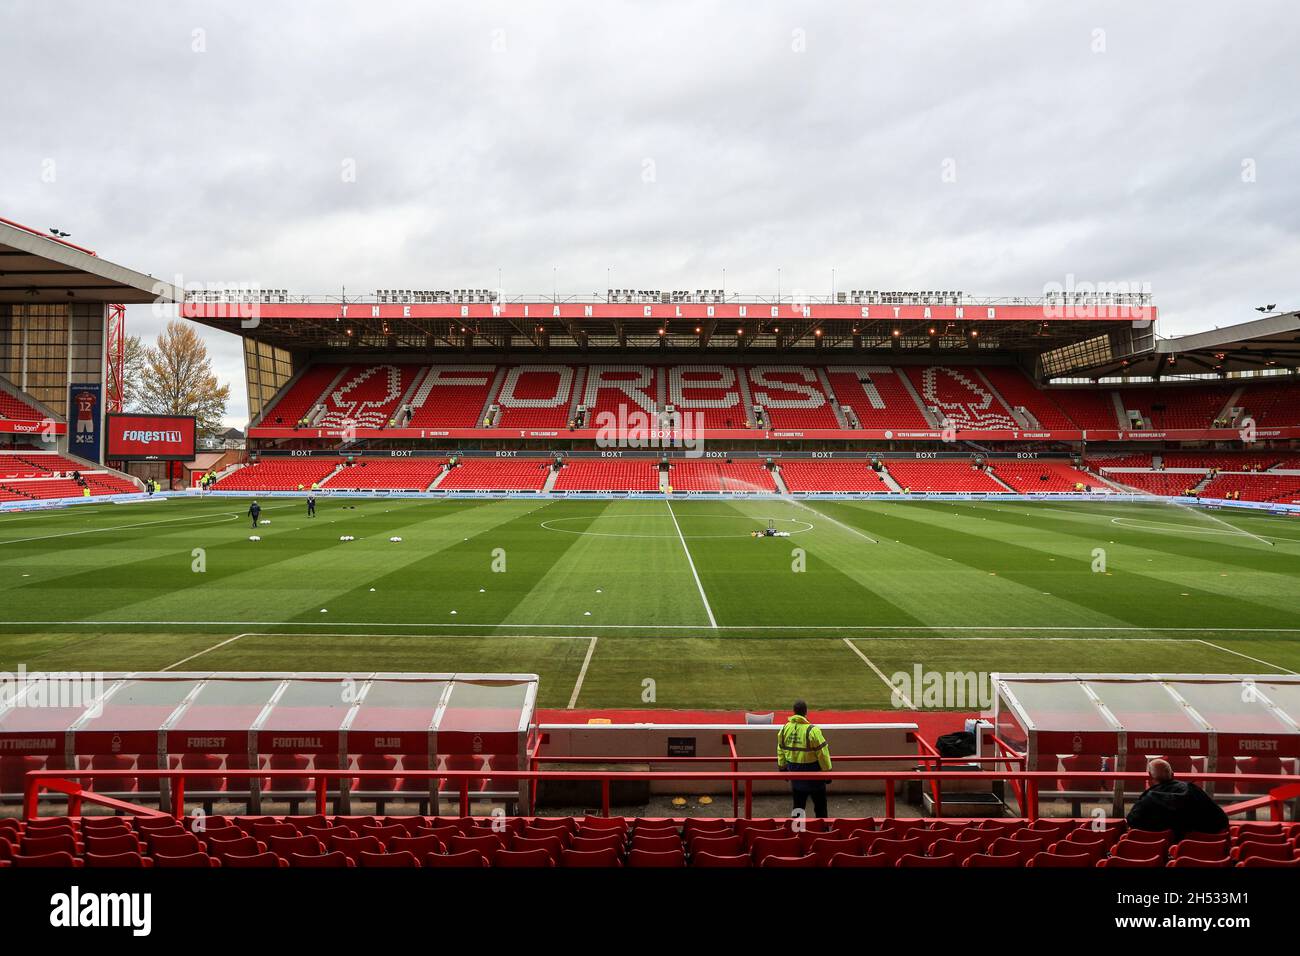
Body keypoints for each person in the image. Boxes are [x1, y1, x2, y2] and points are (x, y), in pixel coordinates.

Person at [1125, 758, 1228, 839]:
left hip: (1160, 851)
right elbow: (1221, 819)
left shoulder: (1147, 799)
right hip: (1200, 850)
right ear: (1173, 774)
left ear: (1150, 777)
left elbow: (1132, 822)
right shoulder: (1193, 790)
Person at [777, 700, 832, 818]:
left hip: (795, 775)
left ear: (794, 712)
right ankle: (822, 831)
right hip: (815, 776)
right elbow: (823, 753)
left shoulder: (784, 729)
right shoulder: (812, 731)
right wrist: (827, 773)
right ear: (806, 712)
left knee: (798, 807)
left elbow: (780, 750)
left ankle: (797, 832)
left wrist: (782, 769)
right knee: (820, 807)